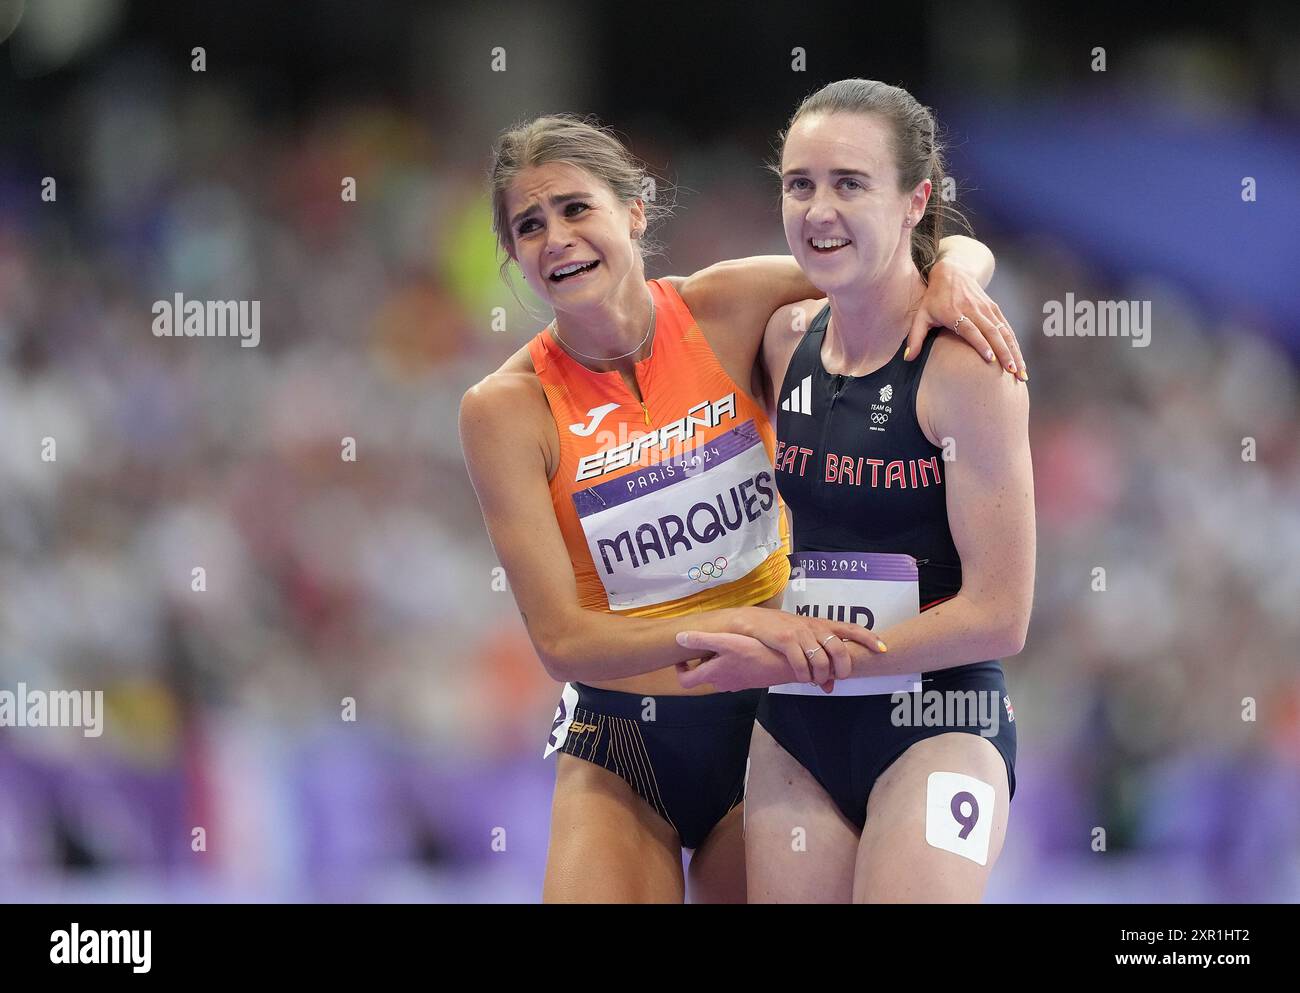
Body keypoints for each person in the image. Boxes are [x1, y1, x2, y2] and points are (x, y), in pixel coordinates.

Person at [459, 113, 1021, 902]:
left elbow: (894, 256)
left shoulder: (725, 304)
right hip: (625, 738)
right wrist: (737, 627)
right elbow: (562, 640)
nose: (555, 237)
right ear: (514, 254)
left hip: (772, 722)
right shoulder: (504, 409)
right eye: (528, 225)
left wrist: (963, 263)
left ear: (634, 210)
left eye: (575, 208)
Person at [677, 80, 1035, 903]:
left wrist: (808, 650)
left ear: (916, 200)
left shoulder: (966, 369)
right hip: (799, 733)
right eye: (798, 184)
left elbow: (1002, 615)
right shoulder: (783, 335)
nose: (817, 209)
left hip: (940, 724)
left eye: (849, 184)